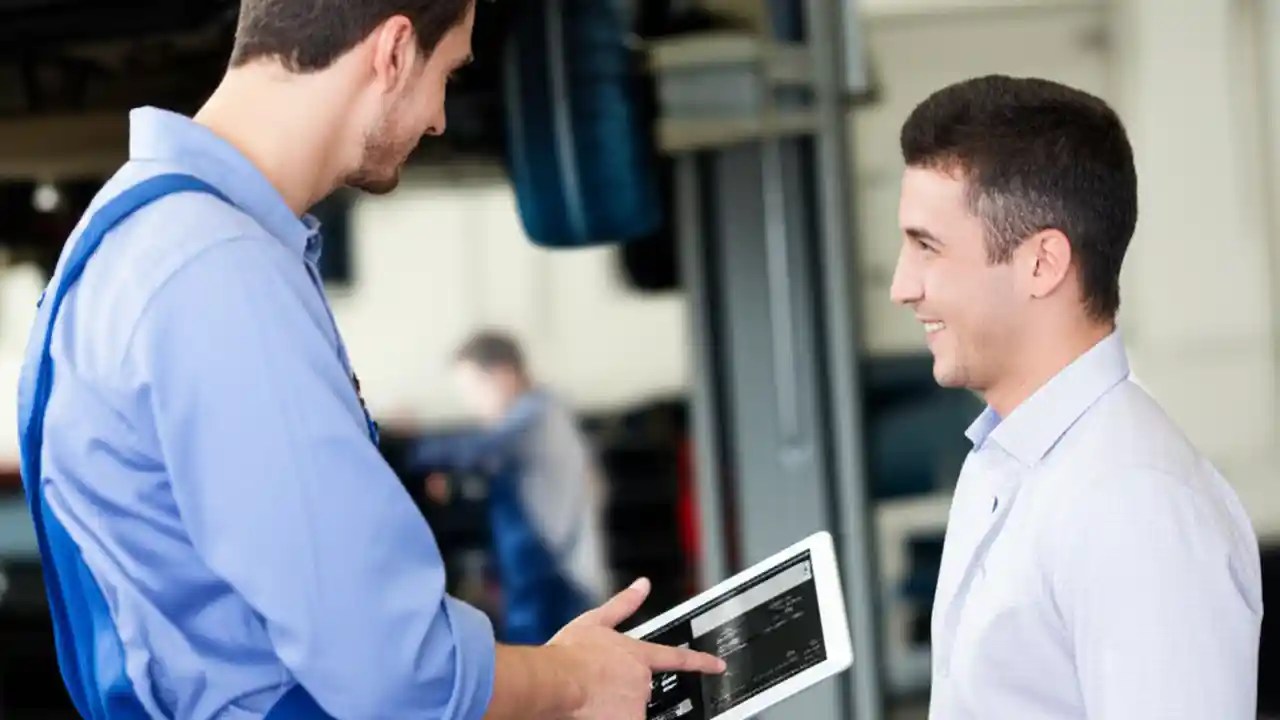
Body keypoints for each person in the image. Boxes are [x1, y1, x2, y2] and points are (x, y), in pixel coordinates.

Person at [15, 1, 724, 718]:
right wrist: (573, 681)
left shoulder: (132, 238)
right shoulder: (216, 273)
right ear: (391, 50)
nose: (442, 117)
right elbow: (392, 669)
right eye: (448, 73)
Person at [890, 74, 1264, 719]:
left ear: (1042, 264)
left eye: (927, 247)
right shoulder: (1005, 461)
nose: (902, 285)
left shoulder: (1135, 505)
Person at [408, 331, 612, 645]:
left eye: (474, 388)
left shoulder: (535, 418)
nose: (472, 404)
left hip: (555, 585)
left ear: (503, 375)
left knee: (546, 676)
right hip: (543, 580)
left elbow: (478, 451)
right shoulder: (544, 416)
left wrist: (406, 445)